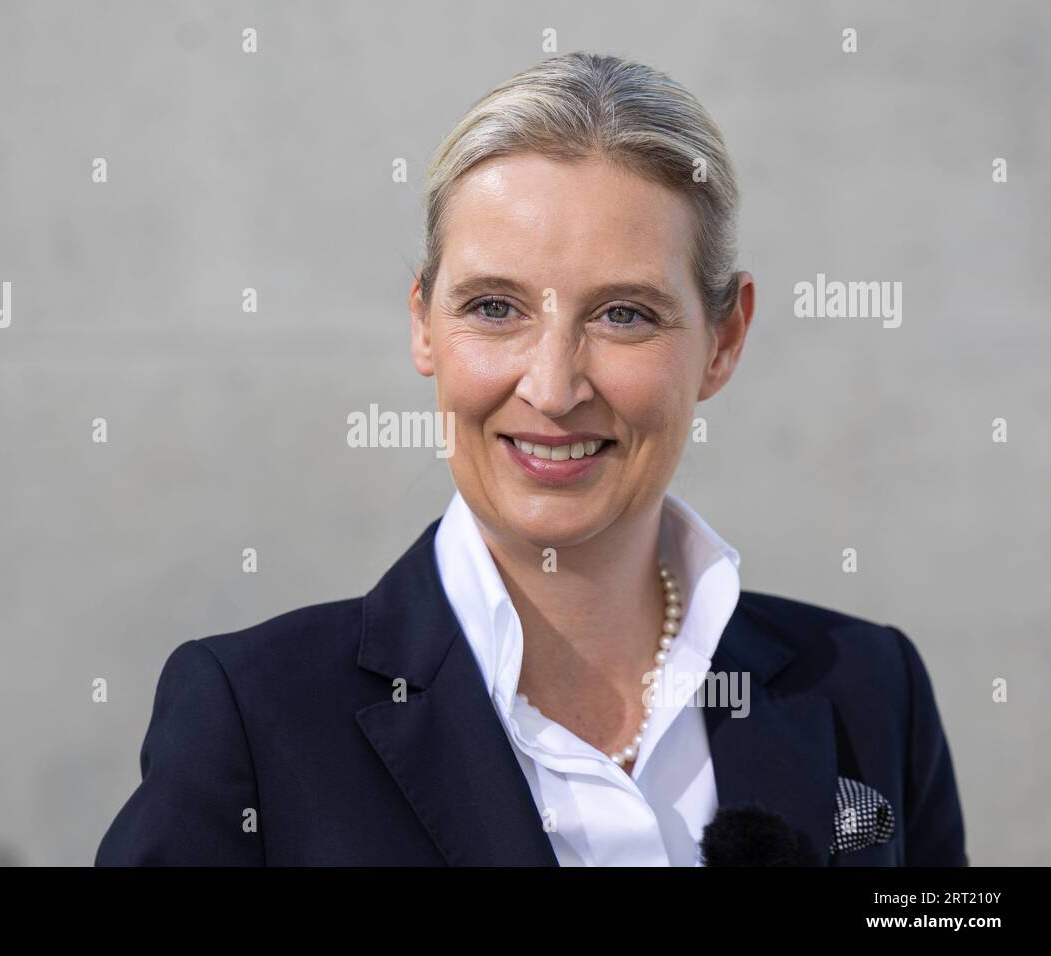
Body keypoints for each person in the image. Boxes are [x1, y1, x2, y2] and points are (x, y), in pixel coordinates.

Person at [95, 51, 966, 866]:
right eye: (496, 307)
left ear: (724, 340)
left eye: (623, 314)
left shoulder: (870, 690)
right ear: (422, 323)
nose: (553, 389)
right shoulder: (253, 719)